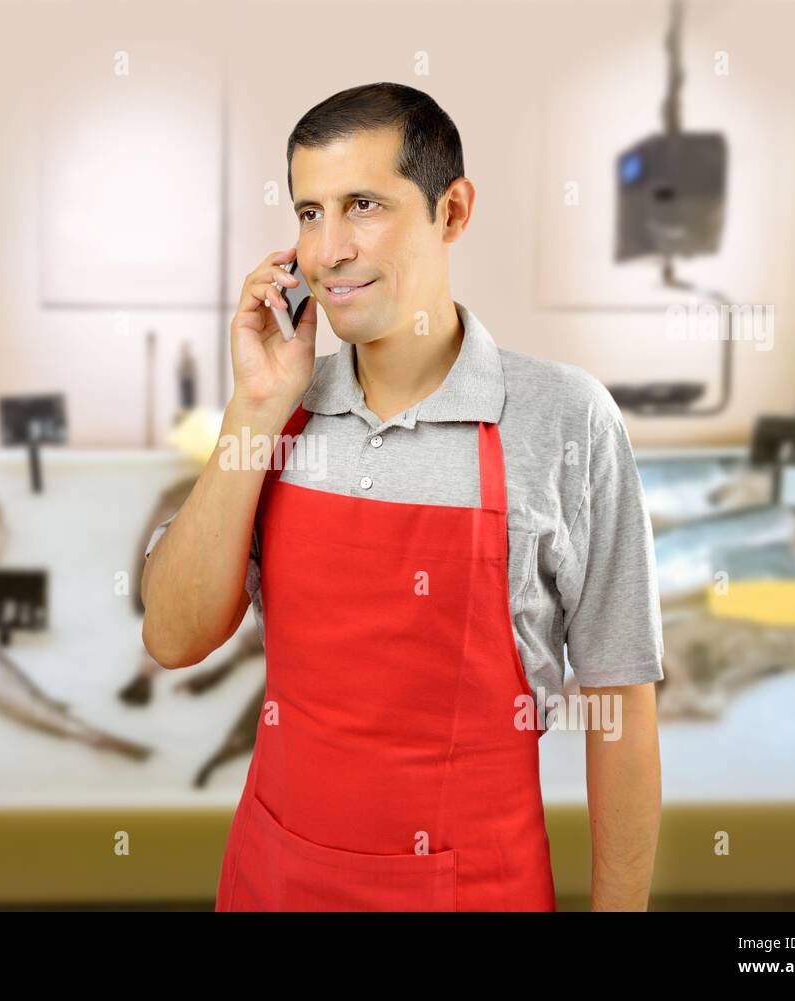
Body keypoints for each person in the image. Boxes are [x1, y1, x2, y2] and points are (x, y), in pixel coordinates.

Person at [141, 82, 663, 912]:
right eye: (309, 213)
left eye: (362, 206)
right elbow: (172, 635)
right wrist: (252, 408)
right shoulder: (280, 412)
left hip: (474, 890)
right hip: (274, 879)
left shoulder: (564, 418)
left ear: (452, 211)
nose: (328, 249)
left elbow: (618, 699)